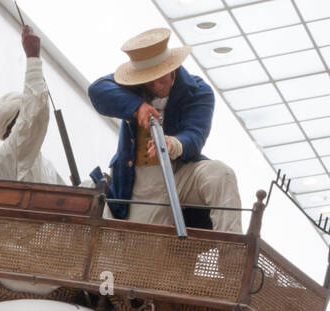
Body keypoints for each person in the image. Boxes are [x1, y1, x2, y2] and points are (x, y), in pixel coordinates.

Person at [88, 28, 241, 233]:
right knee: (147, 245)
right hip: (141, 180)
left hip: (182, 171)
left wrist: (173, 144)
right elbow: (97, 90)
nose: (156, 85)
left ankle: (233, 257)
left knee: (220, 174)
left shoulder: (198, 91)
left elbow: (195, 135)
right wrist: (136, 107)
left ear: (172, 67)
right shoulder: (132, 88)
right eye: (149, 80)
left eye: (161, 78)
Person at [0, 24, 64, 185]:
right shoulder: (6, 156)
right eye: (23, 116)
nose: (27, 119)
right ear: (12, 128)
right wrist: (33, 59)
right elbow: (34, 114)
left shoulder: (46, 166)